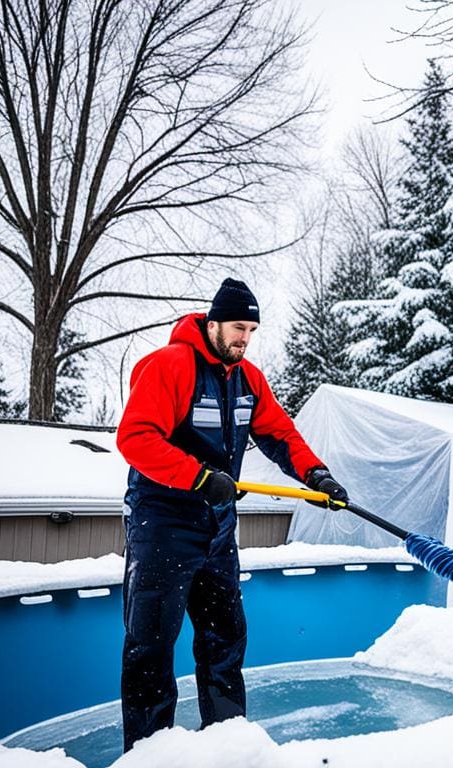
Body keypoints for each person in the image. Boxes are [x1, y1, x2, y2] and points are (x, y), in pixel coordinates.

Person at [115, 278, 348, 752]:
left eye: (252, 330)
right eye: (238, 327)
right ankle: (148, 755)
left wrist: (317, 476)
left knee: (225, 640)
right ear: (213, 322)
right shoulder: (169, 366)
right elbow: (135, 439)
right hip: (163, 526)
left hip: (217, 531)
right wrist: (199, 477)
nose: (244, 337)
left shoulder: (248, 379)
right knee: (151, 648)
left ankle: (227, 749)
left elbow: (280, 434)